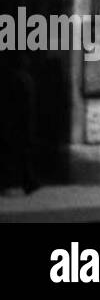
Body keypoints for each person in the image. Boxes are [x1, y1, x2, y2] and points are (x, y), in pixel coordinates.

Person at [1, 53, 41, 194]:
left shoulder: (12, 78)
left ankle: (23, 182)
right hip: (23, 122)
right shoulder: (25, 78)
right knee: (23, 154)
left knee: (13, 154)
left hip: (15, 123)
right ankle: (28, 182)